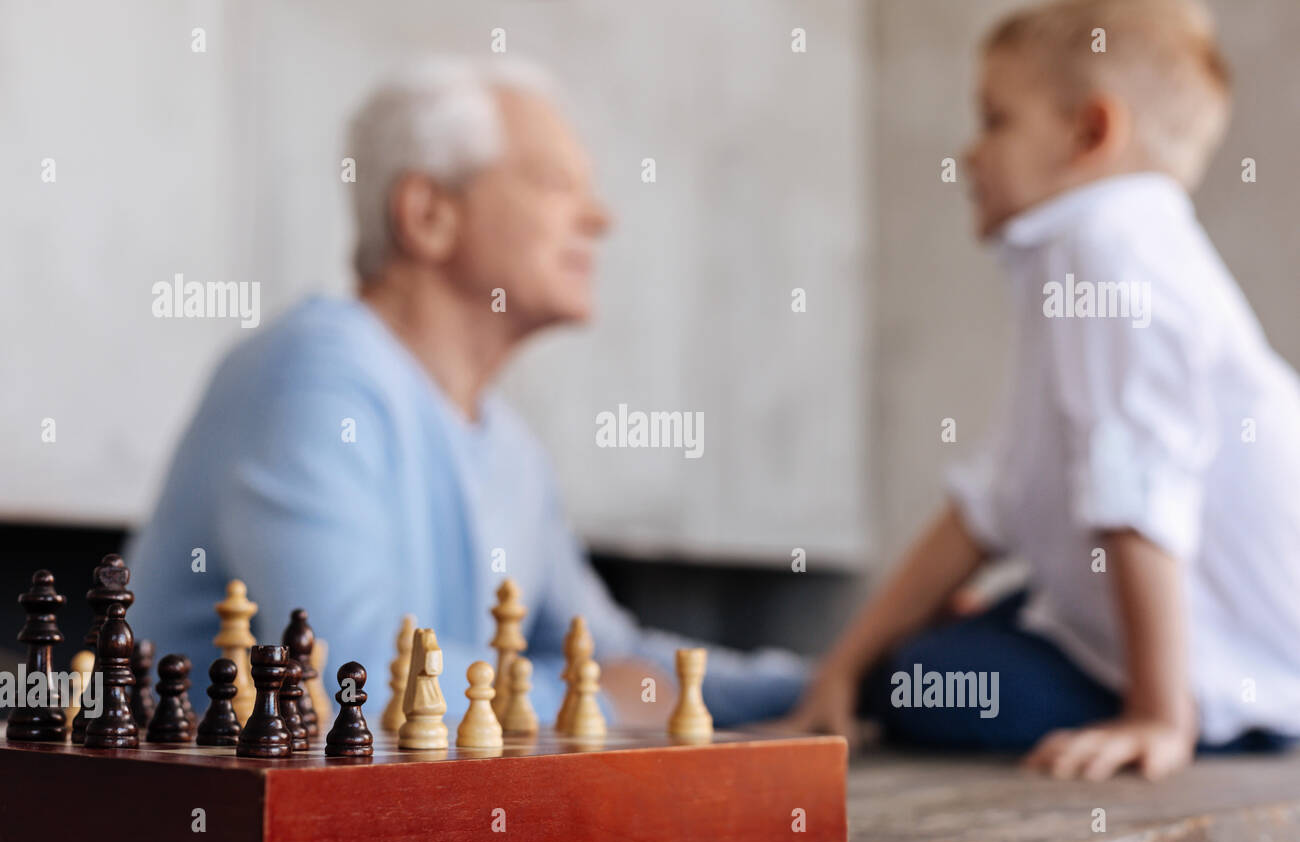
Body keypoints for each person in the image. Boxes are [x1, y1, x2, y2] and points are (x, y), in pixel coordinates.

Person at [125, 58, 808, 727]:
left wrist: (840, 679)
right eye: (555, 183)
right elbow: (350, 679)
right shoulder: (310, 376)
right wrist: (601, 702)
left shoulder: (510, 446)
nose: (601, 218)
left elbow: (622, 659)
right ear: (427, 215)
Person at [789, 0, 1300, 779]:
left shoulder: (1111, 251)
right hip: (1152, 637)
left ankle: (1197, 710)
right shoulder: (1083, 253)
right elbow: (993, 501)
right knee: (912, 664)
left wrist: (1159, 718)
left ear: (1091, 133)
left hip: (1232, 672)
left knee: (920, 685)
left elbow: (1141, 493)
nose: (969, 153)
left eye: (995, 119)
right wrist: (841, 665)